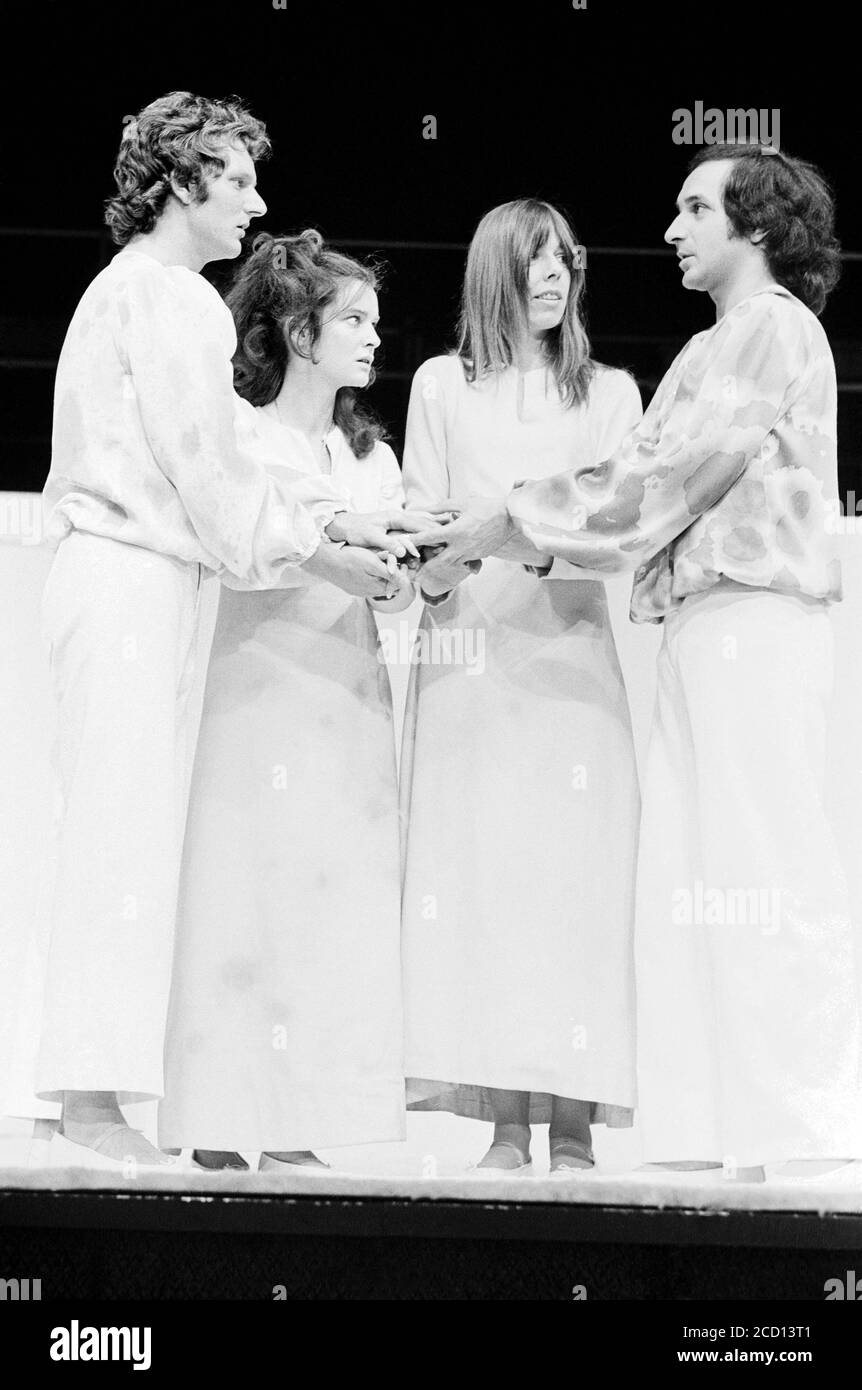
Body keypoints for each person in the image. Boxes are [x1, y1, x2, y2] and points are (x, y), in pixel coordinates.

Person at [415, 146, 862, 1181]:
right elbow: (639, 480)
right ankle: (718, 1127)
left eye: (694, 208)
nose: (670, 228)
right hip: (706, 624)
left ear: (754, 227)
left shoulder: (771, 328)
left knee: (761, 868)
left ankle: (799, 1125)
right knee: (695, 878)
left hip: (756, 617)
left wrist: (505, 519)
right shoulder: (714, 347)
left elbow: (651, 483)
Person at [37, 92, 419, 1168]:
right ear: (177, 180)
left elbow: (231, 474)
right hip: (128, 571)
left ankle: (98, 1091)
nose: (256, 199)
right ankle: (88, 1098)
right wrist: (316, 542)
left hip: (135, 574)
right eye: (237, 176)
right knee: (117, 833)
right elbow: (212, 476)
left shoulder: (146, 293)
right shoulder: (169, 299)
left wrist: (322, 522)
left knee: (126, 830)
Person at [159, 231, 427, 1172]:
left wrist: (400, 571)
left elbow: (390, 588)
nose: (371, 338)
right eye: (353, 319)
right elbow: (236, 545)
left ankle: (301, 1116)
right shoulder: (237, 432)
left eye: (376, 322)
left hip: (345, 686)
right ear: (296, 330)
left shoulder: (370, 454)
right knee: (242, 896)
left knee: (328, 905)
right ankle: (226, 1115)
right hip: (256, 681)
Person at [401, 199, 642, 1175]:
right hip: (468, 666)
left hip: (573, 669)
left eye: (565, 259)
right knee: (486, 892)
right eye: (535, 258)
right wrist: (444, 553)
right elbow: (419, 525)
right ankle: (504, 1117)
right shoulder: (438, 387)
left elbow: (620, 538)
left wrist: (525, 539)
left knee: (575, 895)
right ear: (494, 267)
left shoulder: (613, 394)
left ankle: (576, 1120)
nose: (555, 274)